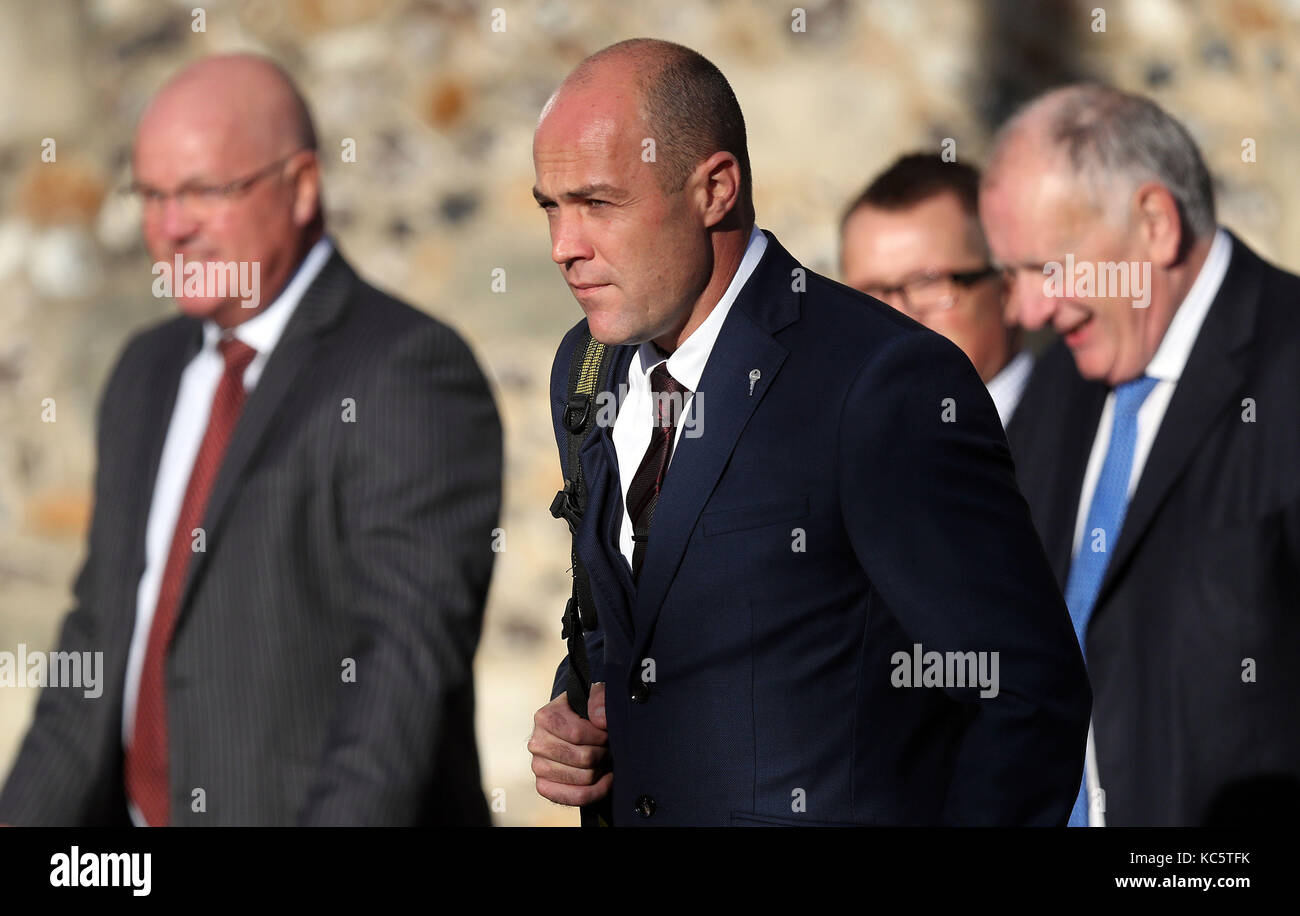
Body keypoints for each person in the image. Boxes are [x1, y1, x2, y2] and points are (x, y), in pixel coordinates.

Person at [527, 38, 1090, 826]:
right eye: (550, 207)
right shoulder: (584, 369)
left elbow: (1024, 690)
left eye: (598, 203)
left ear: (715, 188)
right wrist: (574, 714)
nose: (564, 247)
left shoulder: (881, 382)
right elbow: (633, 635)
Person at [0, 54, 502, 826]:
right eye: (153, 196)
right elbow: (95, 649)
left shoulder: (405, 369)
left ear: (301, 187)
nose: (172, 226)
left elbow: (400, 679)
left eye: (204, 191)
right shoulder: (145, 372)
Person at [982, 84, 1300, 826]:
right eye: (1010, 275)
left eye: (1048, 268)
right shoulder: (1064, 381)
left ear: (1155, 224)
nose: (1026, 311)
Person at [840, 153, 1031, 426]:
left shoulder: (1085, 428)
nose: (895, 319)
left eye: (927, 282)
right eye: (868, 295)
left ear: (1008, 289)